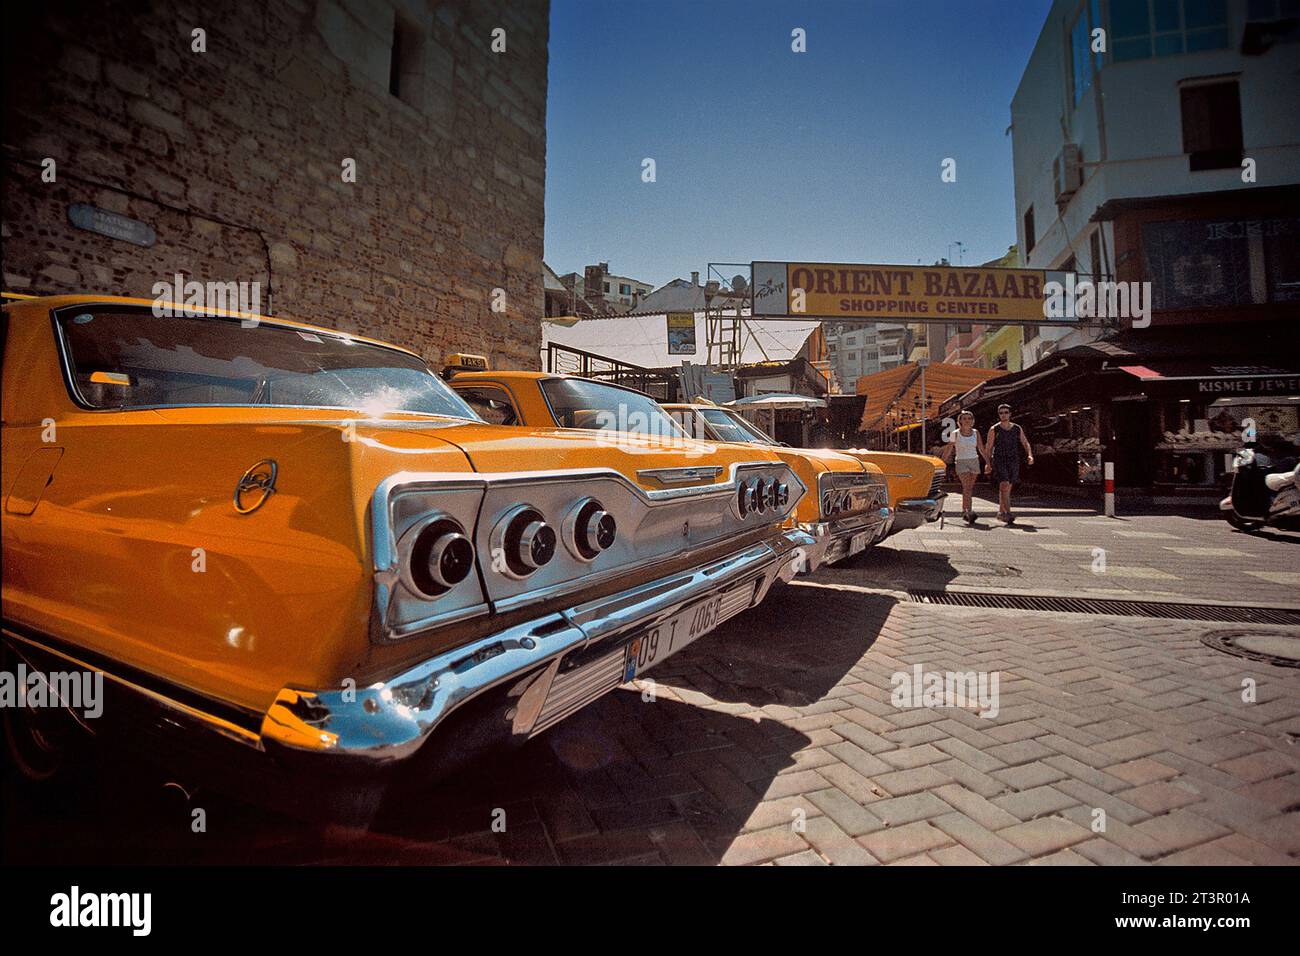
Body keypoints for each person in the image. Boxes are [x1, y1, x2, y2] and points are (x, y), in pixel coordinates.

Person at [985, 404, 1034, 523]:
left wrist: (1030, 454)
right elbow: (989, 447)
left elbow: (1025, 442)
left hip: (1013, 459)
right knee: (1004, 484)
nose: (1004, 414)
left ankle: (1001, 512)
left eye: (1006, 412)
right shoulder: (994, 429)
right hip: (999, 459)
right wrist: (988, 463)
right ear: (998, 415)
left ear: (1010, 414)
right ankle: (1008, 512)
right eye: (1001, 413)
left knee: (1008, 486)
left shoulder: (1017, 428)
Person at [941, 410, 989, 524]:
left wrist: (988, 462)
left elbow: (981, 448)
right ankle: (968, 511)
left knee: (969, 488)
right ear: (960, 421)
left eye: (969, 418)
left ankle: (965, 510)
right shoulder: (955, 433)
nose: (967, 421)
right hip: (961, 461)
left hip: (974, 460)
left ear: (972, 421)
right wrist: (942, 462)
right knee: (966, 486)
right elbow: (949, 448)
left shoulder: (976, 433)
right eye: (964, 418)